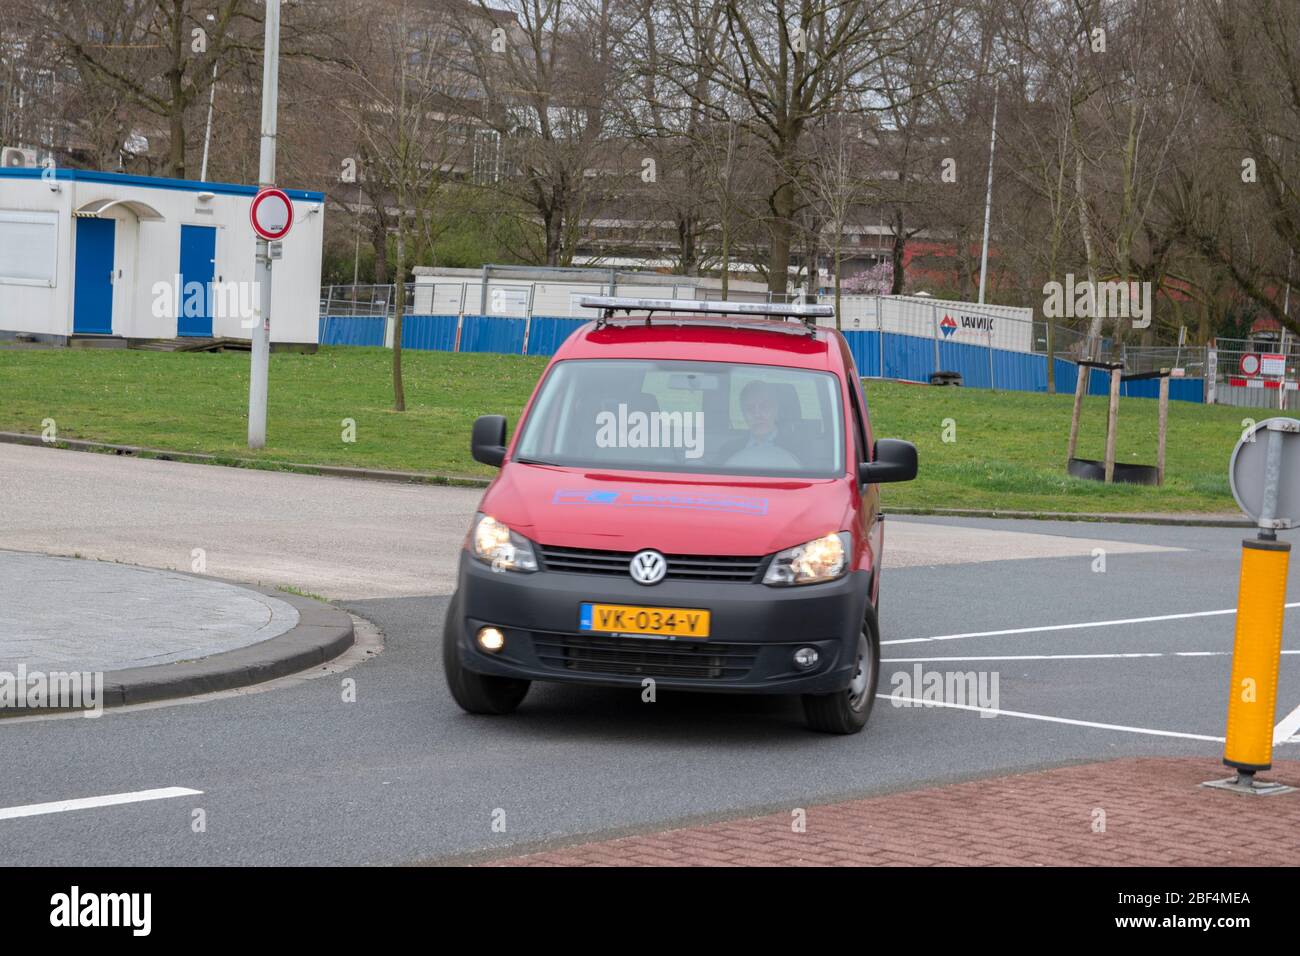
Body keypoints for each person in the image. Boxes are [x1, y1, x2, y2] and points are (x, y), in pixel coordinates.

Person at [721, 380, 802, 468]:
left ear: (775, 409)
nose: (757, 414)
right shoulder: (729, 450)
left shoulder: (798, 448)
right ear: (743, 414)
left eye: (765, 407)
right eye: (750, 408)